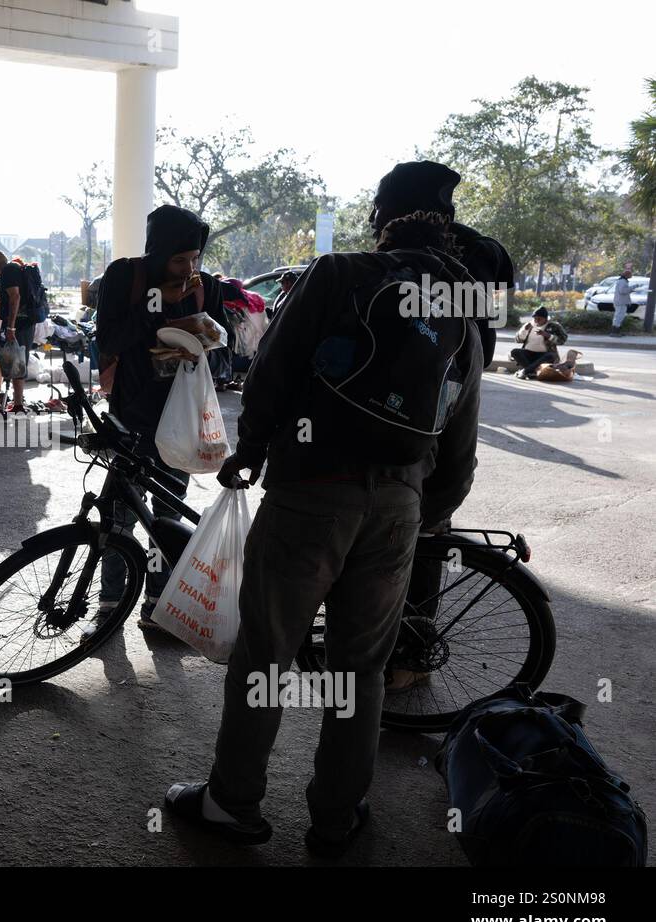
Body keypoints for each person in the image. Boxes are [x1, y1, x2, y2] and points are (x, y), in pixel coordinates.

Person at [164, 209, 484, 857]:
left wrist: (250, 451)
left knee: (266, 654)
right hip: (398, 503)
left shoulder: (338, 273)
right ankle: (337, 817)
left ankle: (233, 803)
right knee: (360, 669)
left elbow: (272, 371)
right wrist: (423, 514)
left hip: (311, 488)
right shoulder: (463, 319)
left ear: (384, 239)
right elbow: (460, 444)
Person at [93, 205, 246, 635]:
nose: (188, 268)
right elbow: (108, 339)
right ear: (157, 251)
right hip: (130, 417)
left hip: (181, 420)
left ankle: (159, 604)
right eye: (179, 259)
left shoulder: (206, 286)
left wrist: (203, 341)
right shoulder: (126, 276)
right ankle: (110, 606)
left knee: (168, 516)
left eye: (195, 258)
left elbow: (224, 345)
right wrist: (157, 306)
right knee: (118, 516)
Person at [368, 161, 513, 368]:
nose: (371, 218)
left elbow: (483, 350)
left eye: (378, 206)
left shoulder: (475, 254)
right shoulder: (382, 257)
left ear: (409, 208)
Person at [0, 250, 38, 413]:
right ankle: (17, 402)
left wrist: (11, 327)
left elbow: (15, 297)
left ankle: (18, 405)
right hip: (25, 322)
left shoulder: (8, 271)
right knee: (18, 360)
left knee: (17, 361)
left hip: (19, 325)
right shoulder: (15, 268)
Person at [511, 306, 568, 378]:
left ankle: (525, 371)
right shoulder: (529, 325)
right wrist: (524, 330)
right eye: (535, 318)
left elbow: (563, 339)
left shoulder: (554, 326)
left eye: (539, 319)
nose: (536, 321)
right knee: (514, 352)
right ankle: (532, 372)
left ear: (546, 319)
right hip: (529, 354)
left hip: (544, 356)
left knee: (551, 356)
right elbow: (518, 340)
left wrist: (547, 335)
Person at [611, 266, 633, 337]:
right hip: (620, 302)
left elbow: (624, 290)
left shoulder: (622, 281)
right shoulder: (622, 281)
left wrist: (630, 289)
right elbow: (622, 291)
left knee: (620, 317)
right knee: (618, 317)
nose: (631, 276)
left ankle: (617, 331)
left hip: (621, 302)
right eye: (630, 275)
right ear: (626, 275)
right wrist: (631, 288)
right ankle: (614, 332)